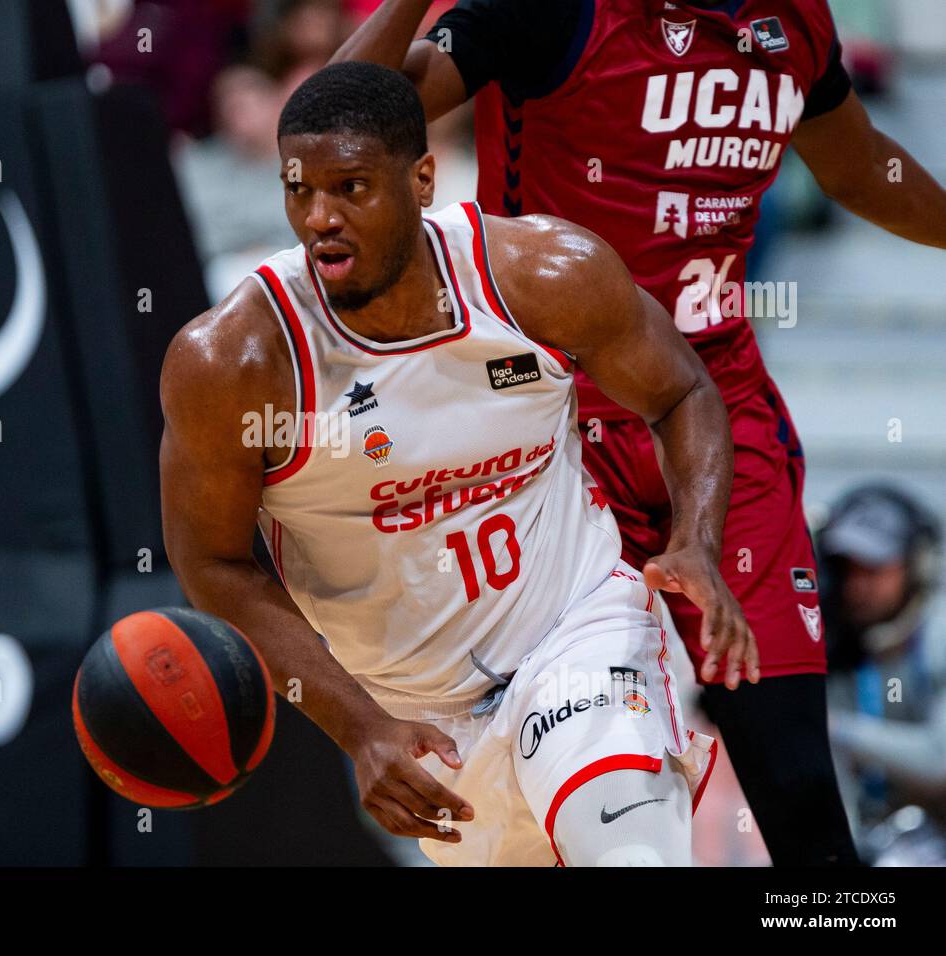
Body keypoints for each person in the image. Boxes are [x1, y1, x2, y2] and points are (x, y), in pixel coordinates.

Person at [334, 0, 946, 866]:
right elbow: (340, 124)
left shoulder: (795, 22)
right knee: (569, 803)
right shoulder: (562, 14)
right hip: (545, 429)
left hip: (715, 414)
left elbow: (861, 168)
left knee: (801, 788)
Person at [160, 62, 758, 866]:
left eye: (352, 188)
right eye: (299, 190)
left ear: (423, 178)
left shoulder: (541, 277)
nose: (320, 218)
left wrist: (696, 541)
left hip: (574, 631)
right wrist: (359, 726)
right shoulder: (235, 361)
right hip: (417, 714)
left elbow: (682, 390)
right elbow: (213, 563)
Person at [819, 484, 946, 862]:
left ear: (917, 564)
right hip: (878, 844)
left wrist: (834, 727)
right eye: (847, 569)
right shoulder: (835, 637)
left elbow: (940, 762)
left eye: (874, 569)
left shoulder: (938, 634)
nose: (857, 585)